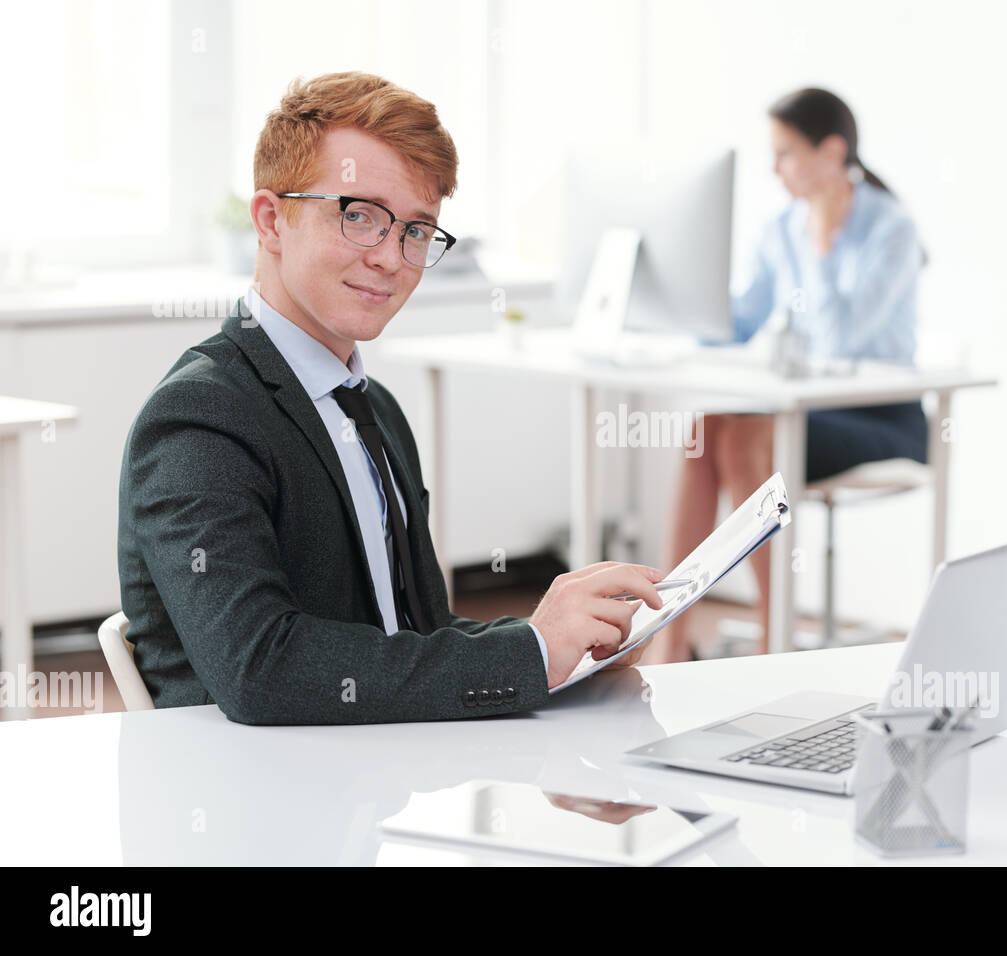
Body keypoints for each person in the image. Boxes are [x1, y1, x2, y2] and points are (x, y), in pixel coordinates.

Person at [117, 72, 664, 724]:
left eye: (415, 230)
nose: (392, 258)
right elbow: (260, 668)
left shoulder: (373, 410)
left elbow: (412, 631)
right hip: (253, 800)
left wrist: (565, 647)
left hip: (365, 786)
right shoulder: (202, 418)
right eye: (360, 216)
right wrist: (530, 652)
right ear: (270, 221)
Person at [642, 87, 927, 665]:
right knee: (709, 426)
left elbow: (843, 336)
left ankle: (777, 640)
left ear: (831, 152)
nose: (775, 170)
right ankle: (670, 636)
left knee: (746, 432)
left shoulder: (891, 228)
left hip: (882, 415)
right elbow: (741, 319)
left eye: (786, 153)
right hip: (808, 410)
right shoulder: (781, 228)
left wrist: (822, 240)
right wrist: (671, 299)